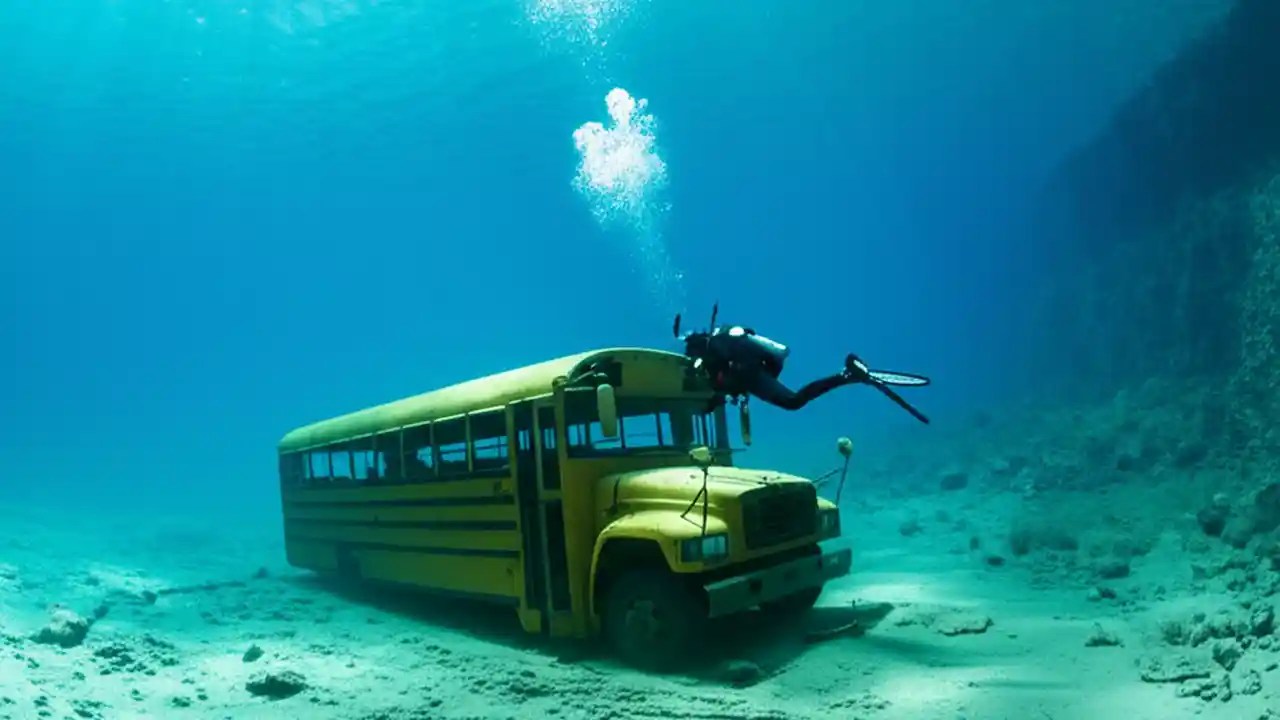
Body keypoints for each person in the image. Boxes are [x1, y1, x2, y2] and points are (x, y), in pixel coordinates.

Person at [680, 324, 931, 423]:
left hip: (752, 373)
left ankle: (846, 375)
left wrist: (713, 399)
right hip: (762, 367)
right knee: (793, 401)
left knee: (793, 402)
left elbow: (725, 382)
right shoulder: (719, 348)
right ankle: (848, 376)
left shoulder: (708, 358)